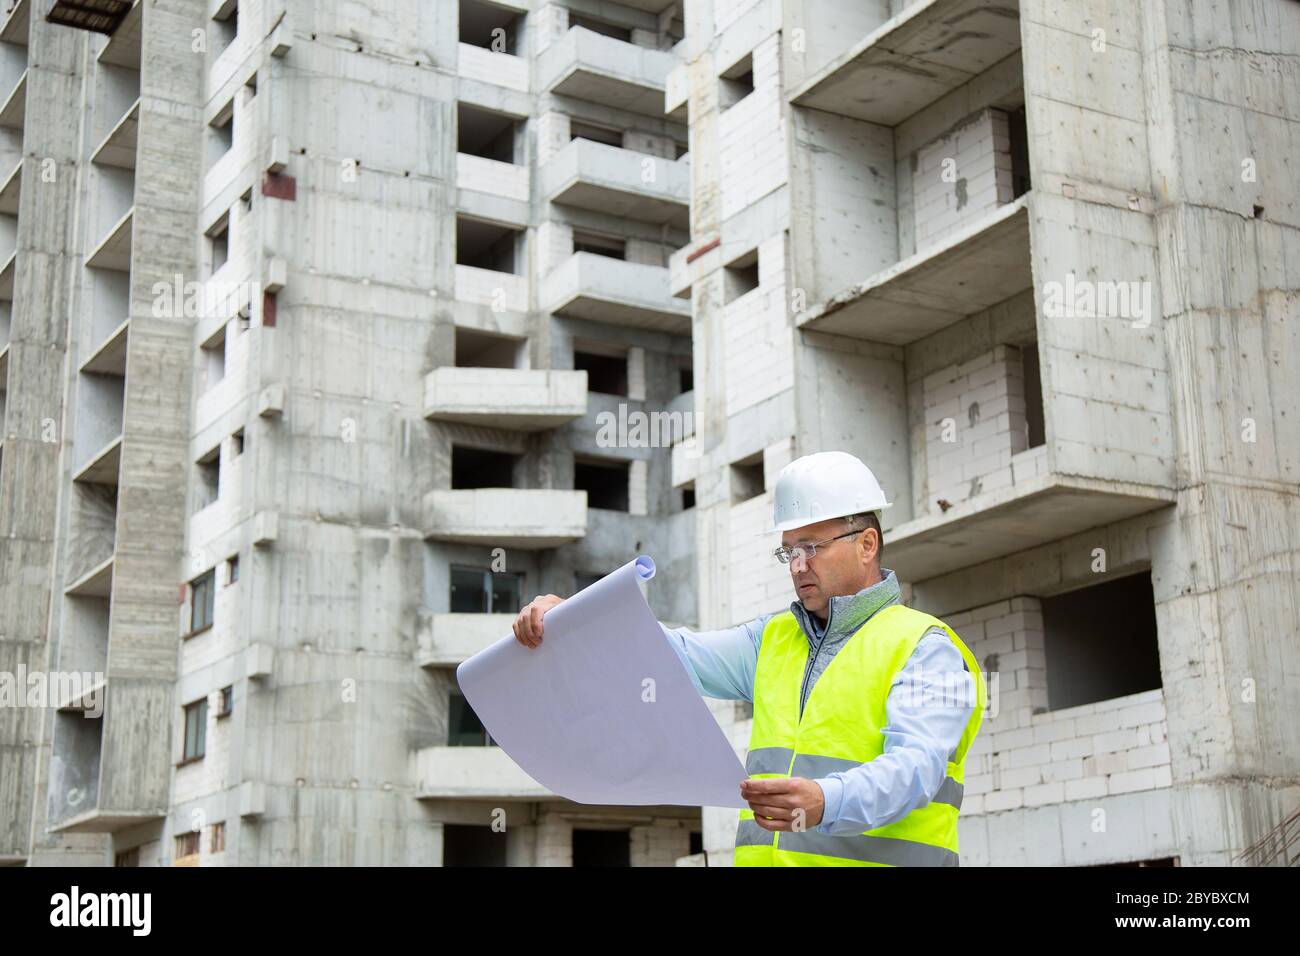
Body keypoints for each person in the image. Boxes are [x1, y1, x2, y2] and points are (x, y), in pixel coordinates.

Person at [512, 450, 986, 866]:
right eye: (789, 552)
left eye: (813, 548)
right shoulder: (773, 640)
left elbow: (917, 768)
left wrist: (826, 800)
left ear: (866, 544)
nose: (799, 566)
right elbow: (673, 656)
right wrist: (576, 621)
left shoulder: (925, 648)